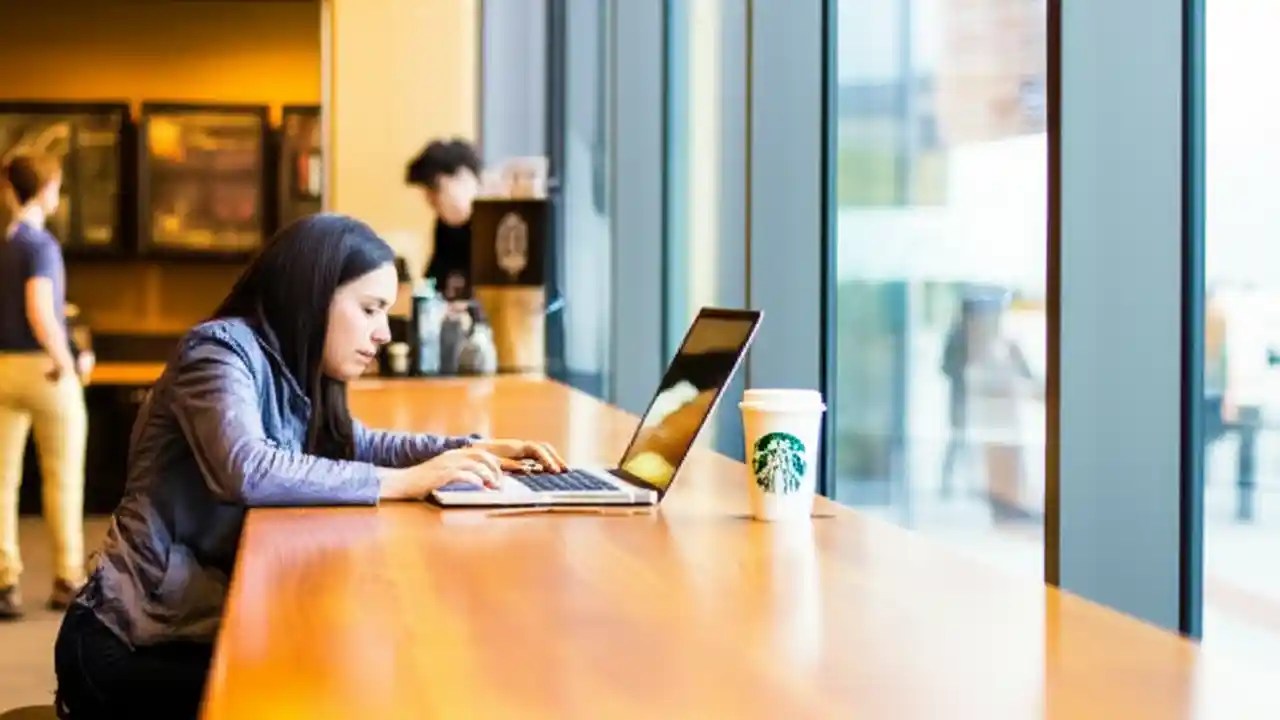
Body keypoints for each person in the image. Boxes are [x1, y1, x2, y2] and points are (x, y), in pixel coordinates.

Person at [52, 213, 567, 718]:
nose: (384, 332)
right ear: (314, 296)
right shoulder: (216, 351)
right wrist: (406, 483)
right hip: (125, 645)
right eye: (370, 309)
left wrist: (470, 449)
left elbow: (358, 443)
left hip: (192, 627)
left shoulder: (298, 372)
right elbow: (247, 468)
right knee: (331, 693)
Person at [0, 153, 92, 619]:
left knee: (2, 481)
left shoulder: (5, 244)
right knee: (62, 476)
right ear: (45, 189)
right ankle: (66, 577)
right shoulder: (41, 246)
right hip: (44, 371)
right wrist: (68, 362)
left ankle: (3, 581)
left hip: (2, 369)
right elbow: (41, 311)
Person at [405, 138, 482, 300]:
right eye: (427, 191)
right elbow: (434, 283)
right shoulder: (444, 226)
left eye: (435, 188)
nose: (430, 200)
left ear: (465, 177)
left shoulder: (495, 224)